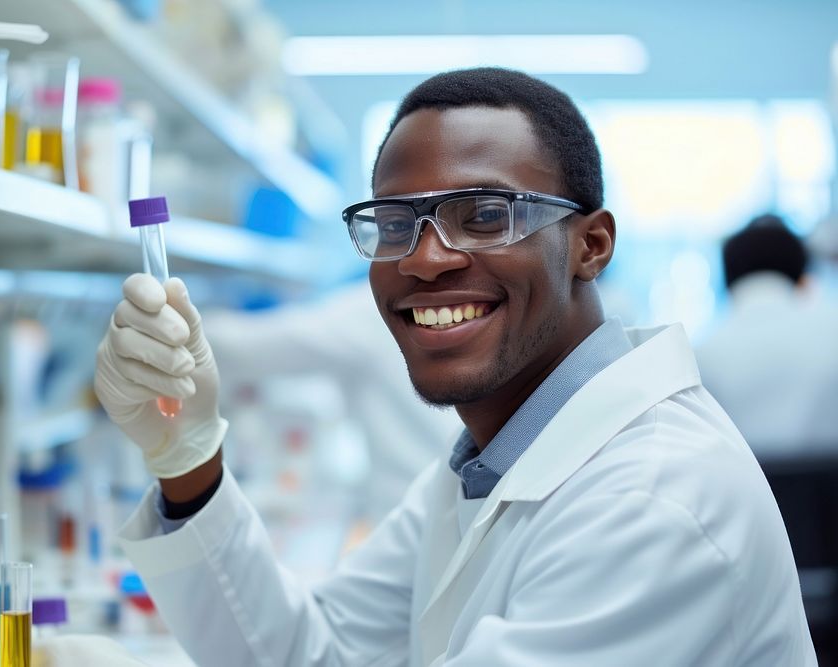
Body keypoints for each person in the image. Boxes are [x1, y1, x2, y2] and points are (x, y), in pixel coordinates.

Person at [96, 68, 814, 665]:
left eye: (484, 214)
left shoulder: (652, 502)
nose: (425, 257)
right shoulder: (492, 461)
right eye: (396, 223)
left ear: (592, 244)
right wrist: (187, 459)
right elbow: (315, 652)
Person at [202, 280, 461, 522]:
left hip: (412, 507)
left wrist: (183, 321)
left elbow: (249, 347)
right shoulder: (396, 305)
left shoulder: (371, 309)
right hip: (432, 503)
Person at [695, 215, 838, 459]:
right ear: (803, 278)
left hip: (740, 491)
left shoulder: (700, 354)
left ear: (728, 278)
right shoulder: (832, 331)